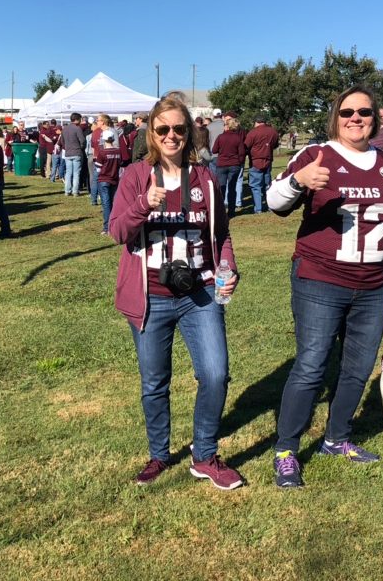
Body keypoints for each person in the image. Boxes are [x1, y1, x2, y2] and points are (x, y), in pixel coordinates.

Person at [265, 85, 383, 488]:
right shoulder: (317, 155)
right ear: (335, 116)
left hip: (373, 285)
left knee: (357, 368)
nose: (356, 118)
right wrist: (299, 180)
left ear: (377, 118)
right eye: (347, 111)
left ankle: (337, 438)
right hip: (321, 279)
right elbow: (275, 203)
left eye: (364, 112)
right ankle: (286, 449)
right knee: (312, 365)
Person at [108, 93, 242, 491]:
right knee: (154, 382)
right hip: (151, 296)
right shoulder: (135, 175)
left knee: (215, 374)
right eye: (162, 128)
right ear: (151, 132)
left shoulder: (205, 178)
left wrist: (228, 268)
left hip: (200, 293)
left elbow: (222, 233)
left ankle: (204, 455)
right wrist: (141, 206)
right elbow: (118, 231)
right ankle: (159, 454)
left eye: (178, 129)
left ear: (189, 133)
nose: (171, 135)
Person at [244, 113, 280, 213]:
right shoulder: (273, 132)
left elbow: (246, 146)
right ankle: (270, 206)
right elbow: (275, 145)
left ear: (256, 122)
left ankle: (258, 208)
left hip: (255, 161)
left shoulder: (253, 133)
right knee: (267, 185)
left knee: (255, 186)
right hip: (268, 160)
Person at [211, 113, 244, 217]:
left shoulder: (221, 137)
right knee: (232, 187)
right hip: (234, 165)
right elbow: (242, 153)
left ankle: (220, 210)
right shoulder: (238, 138)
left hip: (222, 164)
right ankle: (231, 210)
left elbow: (214, 150)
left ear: (226, 126)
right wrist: (239, 162)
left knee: (221, 187)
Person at [95, 127, 121, 234]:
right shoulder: (118, 151)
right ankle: (114, 225)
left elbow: (98, 168)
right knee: (113, 203)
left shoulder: (102, 153)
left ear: (104, 139)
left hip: (104, 180)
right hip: (114, 179)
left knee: (106, 204)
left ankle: (107, 228)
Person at [61, 112, 86, 196]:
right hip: (76, 152)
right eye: (80, 119)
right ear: (77, 119)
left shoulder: (64, 129)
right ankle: (75, 191)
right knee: (76, 173)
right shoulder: (77, 128)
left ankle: (67, 191)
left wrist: (67, 147)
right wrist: (81, 147)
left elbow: (62, 141)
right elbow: (82, 140)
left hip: (68, 153)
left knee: (68, 173)